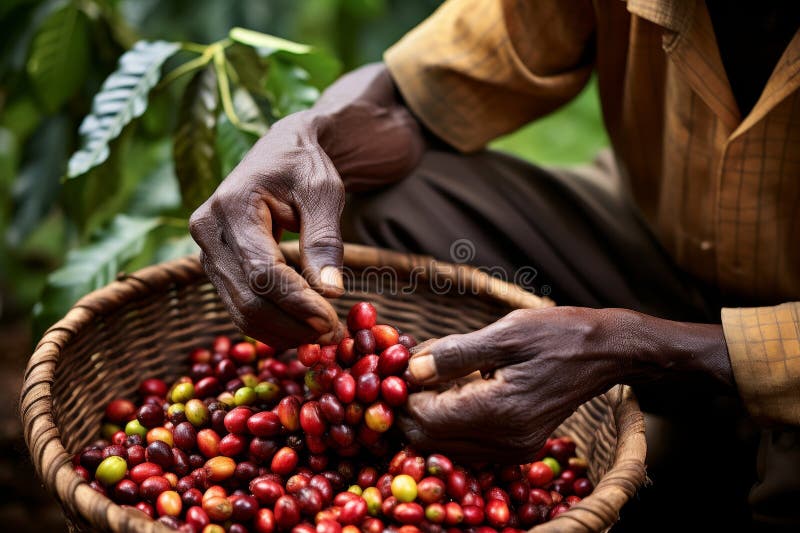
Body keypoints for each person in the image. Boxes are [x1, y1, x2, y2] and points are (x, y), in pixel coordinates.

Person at [189, 1, 800, 530]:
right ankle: (692, 429)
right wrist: (309, 133)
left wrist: (639, 346)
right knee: (379, 187)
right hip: (667, 237)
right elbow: (410, 97)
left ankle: (708, 438)